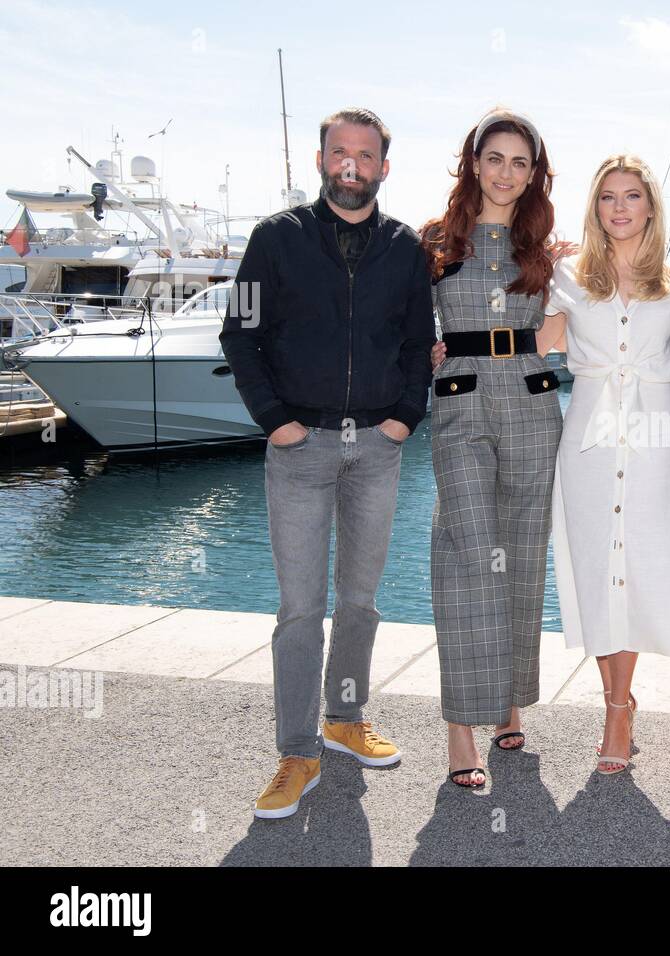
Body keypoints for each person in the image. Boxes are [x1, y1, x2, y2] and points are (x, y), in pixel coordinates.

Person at [219, 107, 434, 820]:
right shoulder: (274, 240)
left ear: (383, 166)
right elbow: (238, 332)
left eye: (364, 154)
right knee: (301, 608)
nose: (351, 164)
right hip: (300, 449)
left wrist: (406, 416)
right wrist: (275, 422)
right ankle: (296, 751)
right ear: (321, 161)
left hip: (378, 447)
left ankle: (345, 719)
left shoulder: (404, 249)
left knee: (361, 601)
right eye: (339, 152)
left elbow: (416, 342)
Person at [419, 108, 563, 789]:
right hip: (461, 401)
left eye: (521, 162)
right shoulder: (435, 243)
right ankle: (458, 727)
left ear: (534, 174)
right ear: (473, 162)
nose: (507, 172)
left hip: (532, 399)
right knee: (467, 552)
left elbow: (594, 315)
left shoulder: (545, 249)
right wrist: (420, 352)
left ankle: (507, 699)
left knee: (522, 554)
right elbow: (398, 324)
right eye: (496, 158)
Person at [542, 154, 670, 774]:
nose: (621, 207)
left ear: (651, 206)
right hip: (588, 439)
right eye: (609, 197)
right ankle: (616, 701)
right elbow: (542, 342)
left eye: (633, 196)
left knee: (639, 562)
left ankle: (617, 713)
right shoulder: (569, 273)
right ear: (596, 207)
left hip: (656, 436)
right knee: (596, 563)